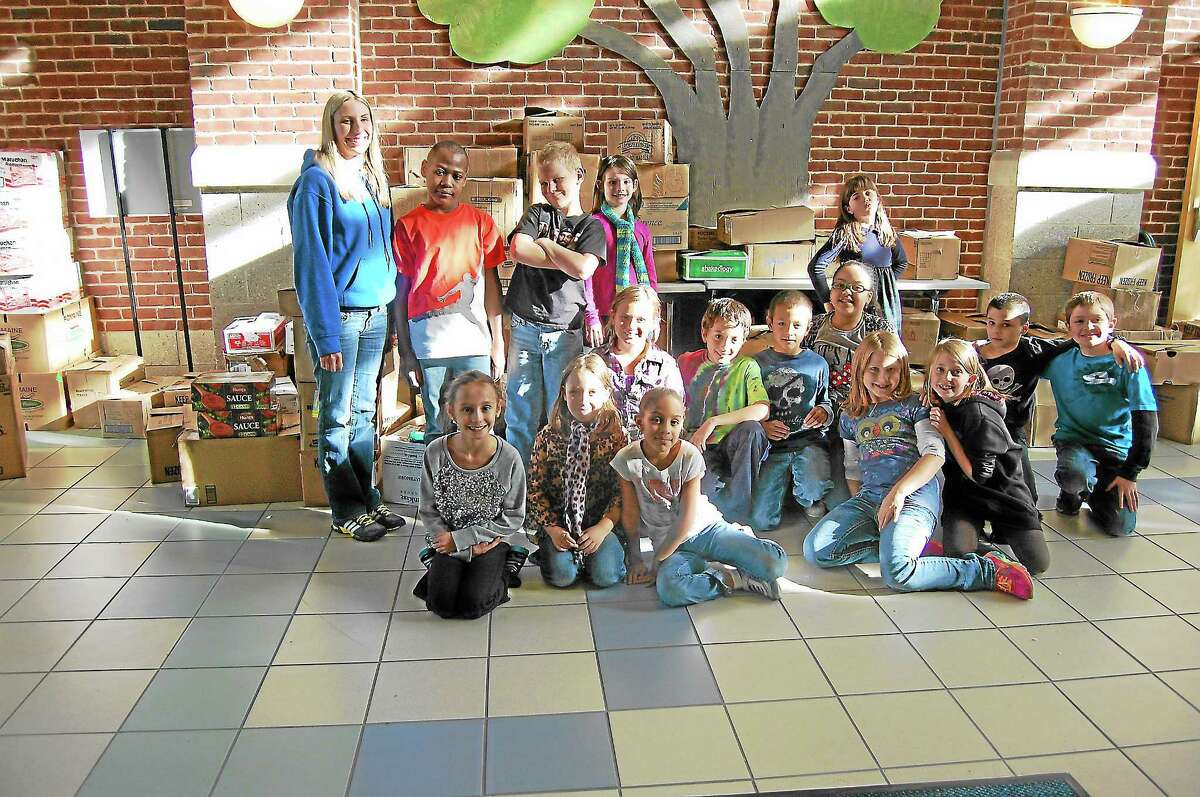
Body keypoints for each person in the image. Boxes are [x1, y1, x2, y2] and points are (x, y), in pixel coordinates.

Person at [803, 332, 1034, 600]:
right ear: (859, 371)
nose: (882, 378)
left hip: (914, 498)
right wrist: (867, 508)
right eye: (874, 369)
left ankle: (985, 571)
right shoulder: (850, 416)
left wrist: (898, 493)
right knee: (816, 551)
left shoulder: (916, 405)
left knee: (897, 574)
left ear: (902, 369)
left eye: (891, 369)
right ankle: (908, 549)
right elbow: (853, 467)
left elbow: (934, 455)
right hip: (870, 499)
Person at [287, 90, 405, 541]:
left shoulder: (372, 177)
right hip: (341, 317)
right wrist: (325, 336)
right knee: (336, 415)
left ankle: (367, 498)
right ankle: (345, 508)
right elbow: (311, 264)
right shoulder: (317, 183)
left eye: (364, 120)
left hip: (374, 315)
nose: (357, 130)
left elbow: (383, 254)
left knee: (364, 412)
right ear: (331, 127)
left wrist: (390, 315)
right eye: (346, 121)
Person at [611, 388, 788, 606]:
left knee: (775, 564)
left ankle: (741, 539)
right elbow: (630, 513)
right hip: (672, 545)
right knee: (670, 590)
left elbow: (686, 517)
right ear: (640, 422)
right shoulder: (627, 459)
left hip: (707, 531)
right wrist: (636, 559)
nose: (666, 429)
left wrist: (658, 559)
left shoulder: (689, 455)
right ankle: (734, 579)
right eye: (656, 420)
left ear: (682, 423)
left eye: (674, 422)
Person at [977, 292, 1144, 500]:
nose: (996, 330)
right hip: (977, 427)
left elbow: (1080, 340)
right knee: (979, 481)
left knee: (1027, 497)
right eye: (991, 322)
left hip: (1012, 430)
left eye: (1006, 324)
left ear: (1024, 328)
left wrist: (1116, 341)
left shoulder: (1035, 351)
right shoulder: (973, 353)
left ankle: (1072, 495)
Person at [392, 141, 507, 438]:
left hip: (474, 345)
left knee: (479, 427)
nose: (447, 182)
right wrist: (406, 352)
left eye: (456, 176)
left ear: (465, 180)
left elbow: (492, 288)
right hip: (428, 347)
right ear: (424, 170)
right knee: (436, 428)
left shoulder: (481, 224)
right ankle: (437, 472)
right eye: (440, 172)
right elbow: (400, 294)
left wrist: (498, 342)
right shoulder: (408, 226)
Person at [505, 141, 607, 463]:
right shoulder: (537, 213)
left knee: (560, 412)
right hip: (524, 327)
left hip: (564, 333)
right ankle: (520, 482)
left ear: (579, 175)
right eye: (544, 183)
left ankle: (556, 480)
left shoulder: (591, 226)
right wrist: (567, 260)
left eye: (557, 180)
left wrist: (547, 245)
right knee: (520, 413)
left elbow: (584, 268)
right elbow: (518, 250)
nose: (550, 189)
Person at [925, 338, 1050, 574]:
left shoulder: (979, 414)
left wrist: (947, 432)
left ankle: (1000, 535)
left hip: (1003, 495)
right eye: (939, 370)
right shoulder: (943, 402)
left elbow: (980, 476)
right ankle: (981, 545)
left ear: (971, 379)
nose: (946, 378)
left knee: (1038, 564)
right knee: (958, 554)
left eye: (956, 372)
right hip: (964, 494)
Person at [414, 371, 528, 619]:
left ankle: (507, 565)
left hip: (489, 541)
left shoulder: (509, 458)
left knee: (473, 604)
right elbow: (428, 509)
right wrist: (449, 542)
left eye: (485, 408)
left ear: (498, 408)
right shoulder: (435, 452)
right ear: (451, 412)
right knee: (440, 604)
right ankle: (440, 565)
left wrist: (467, 541)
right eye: (467, 409)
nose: (477, 418)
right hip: (447, 538)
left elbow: (514, 516)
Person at [1045, 291, 1158, 536]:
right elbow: (1021, 355)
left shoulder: (1128, 363)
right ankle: (1072, 492)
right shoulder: (1059, 360)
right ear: (1068, 326)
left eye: (1097, 320)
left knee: (1120, 528)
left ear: (1112, 324)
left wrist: (1130, 473)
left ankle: (1096, 493)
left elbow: (1147, 421)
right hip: (1074, 440)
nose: (1088, 327)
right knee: (1075, 475)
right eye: (1079, 321)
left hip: (1114, 447)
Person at [526, 354, 630, 588]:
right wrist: (553, 530)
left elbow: (623, 491)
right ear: (564, 393)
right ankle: (557, 556)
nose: (583, 400)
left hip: (602, 523)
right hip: (559, 524)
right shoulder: (548, 436)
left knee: (606, 577)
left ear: (606, 393)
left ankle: (602, 557)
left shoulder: (617, 437)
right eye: (574, 392)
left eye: (592, 392)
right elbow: (534, 489)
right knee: (563, 577)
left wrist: (603, 528)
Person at [801, 261, 893, 508]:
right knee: (825, 492)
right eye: (840, 285)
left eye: (856, 287)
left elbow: (894, 374)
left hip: (861, 419)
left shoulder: (879, 329)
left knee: (845, 497)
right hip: (821, 418)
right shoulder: (814, 326)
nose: (846, 293)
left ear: (869, 296)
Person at [676, 298, 770, 526]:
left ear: (744, 340)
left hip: (733, 443)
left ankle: (739, 516)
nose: (725, 346)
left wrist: (713, 422)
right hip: (698, 445)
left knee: (752, 429)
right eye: (718, 336)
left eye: (734, 339)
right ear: (705, 333)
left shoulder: (746, 366)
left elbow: (762, 409)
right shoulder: (685, 362)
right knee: (704, 500)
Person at [749, 291, 834, 531]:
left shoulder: (818, 364)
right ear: (769, 322)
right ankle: (784, 488)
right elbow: (746, 408)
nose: (789, 331)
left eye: (797, 325)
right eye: (782, 323)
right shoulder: (756, 364)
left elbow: (826, 402)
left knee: (813, 489)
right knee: (762, 522)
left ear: (808, 328)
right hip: (772, 449)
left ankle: (805, 495)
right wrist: (762, 426)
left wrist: (824, 412)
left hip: (808, 443)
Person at [807, 174, 907, 331]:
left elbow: (901, 262)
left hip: (886, 307)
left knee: (886, 342)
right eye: (856, 197)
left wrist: (884, 285)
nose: (864, 198)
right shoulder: (846, 233)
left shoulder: (886, 233)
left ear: (878, 200)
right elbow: (815, 267)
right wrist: (828, 302)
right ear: (849, 208)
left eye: (868, 193)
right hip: (857, 303)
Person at [584, 154, 657, 347]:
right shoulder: (593, 225)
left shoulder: (641, 229)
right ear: (600, 186)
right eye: (612, 182)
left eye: (626, 181)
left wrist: (654, 315)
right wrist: (591, 316)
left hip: (635, 316)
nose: (620, 188)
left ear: (635, 186)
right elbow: (585, 276)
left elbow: (650, 276)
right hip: (602, 316)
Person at [595, 285, 683, 439]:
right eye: (625, 317)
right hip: (604, 447)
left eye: (640, 320)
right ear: (613, 316)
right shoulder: (596, 361)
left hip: (649, 448)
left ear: (653, 322)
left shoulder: (665, 366)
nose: (631, 326)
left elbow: (676, 417)